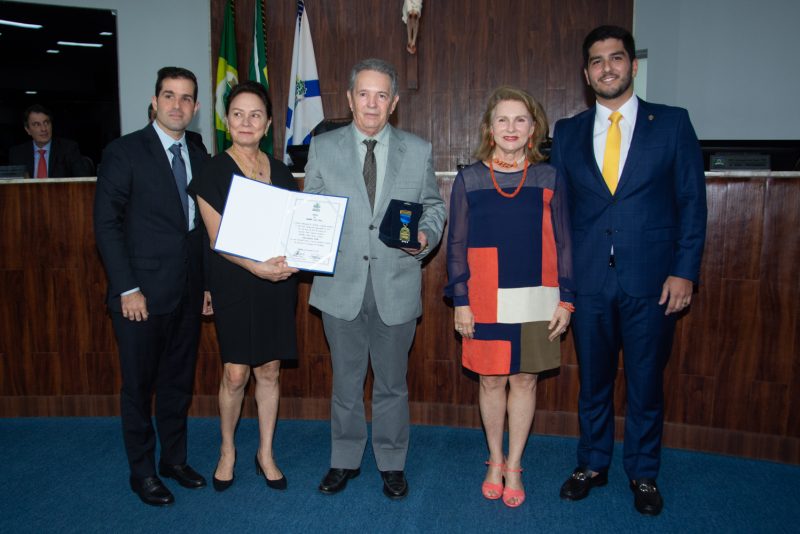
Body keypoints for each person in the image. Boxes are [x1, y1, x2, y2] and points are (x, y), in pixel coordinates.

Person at [550, 25, 707, 516]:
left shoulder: (673, 124)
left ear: (632, 66)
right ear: (586, 73)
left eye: (615, 58)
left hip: (654, 281)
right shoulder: (568, 131)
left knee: (644, 381)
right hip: (591, 280)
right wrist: (562, 279)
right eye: (596, 62)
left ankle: (642, 473)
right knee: (593, 380)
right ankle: (592, 464)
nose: (607, 68)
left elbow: (692, 204)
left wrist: (684, 271)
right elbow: (559, 212)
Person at [304, 58, 446, 500]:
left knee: (391, 384)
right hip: (339, 286)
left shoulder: (418, 149)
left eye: (381, 95)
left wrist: (425, 236)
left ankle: (391, 462)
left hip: (396, 286)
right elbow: (311, 207)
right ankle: (344, 459)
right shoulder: (323, 147)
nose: (371, 103)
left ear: (394, 102)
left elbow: (434, 207)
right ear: (349, 99)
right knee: (345, 383)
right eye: (363, 93)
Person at [444, 86, 573, 508]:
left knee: (525, 378)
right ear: (489, 128)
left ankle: (515, 464)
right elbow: (457, 244)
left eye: (520, 119)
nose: (511, 128)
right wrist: (460, 299)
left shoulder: (549, 177)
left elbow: (565, 241)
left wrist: (566, 299)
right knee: (491, 378)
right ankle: (494, 460)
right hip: (484, 296)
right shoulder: (471, 178)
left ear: (533, 128)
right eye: (503, 119)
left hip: (538, 294)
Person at [94, 66, 212, 507]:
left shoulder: (198, 152)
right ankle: (142, 471)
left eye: (185, 98)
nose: (177, 105)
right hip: (139, 296)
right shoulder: (124, 152)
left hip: (187, 290)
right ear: (154, 101)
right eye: (169, 96)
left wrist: (206, 285)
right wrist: (126, 289)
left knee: (178, 383)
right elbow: (106, 226)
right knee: (139, 388)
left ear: (196, 107)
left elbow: (200, 228)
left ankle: (174, 460)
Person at [188, 81, 299, 493]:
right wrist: (259, 269)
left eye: (255, 114)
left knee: (269, 369)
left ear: (268, 123)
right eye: (238, 114)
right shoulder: (211, 172)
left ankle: (266, 452)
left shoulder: (282, 171)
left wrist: (294, 259)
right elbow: (218, 239)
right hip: (234, 280)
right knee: (235, 374)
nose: (246, 122)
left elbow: (294, 229)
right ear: (226, 120)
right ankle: (228, 449)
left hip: (276, 283)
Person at [9, 104, 91, 178]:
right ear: (28, 130)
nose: (44, 129)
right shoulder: (17, 153)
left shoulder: (68, 149)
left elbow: (82, 180)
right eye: (37, 124)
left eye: (46, 123)